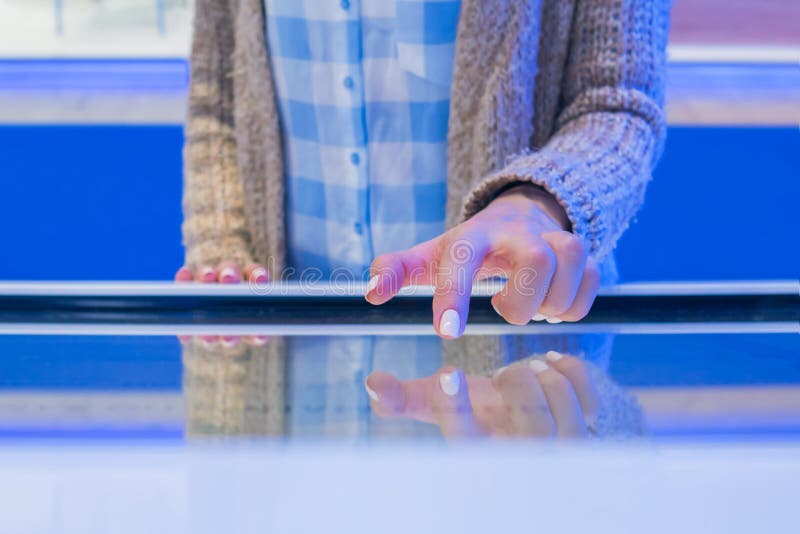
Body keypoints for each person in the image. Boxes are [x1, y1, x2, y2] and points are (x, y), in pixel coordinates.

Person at [176, 0, 668, 439]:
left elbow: (617, 103)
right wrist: (225, 248)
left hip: (520, 371)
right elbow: (217, 100)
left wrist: (534, 201)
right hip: (289, 373)